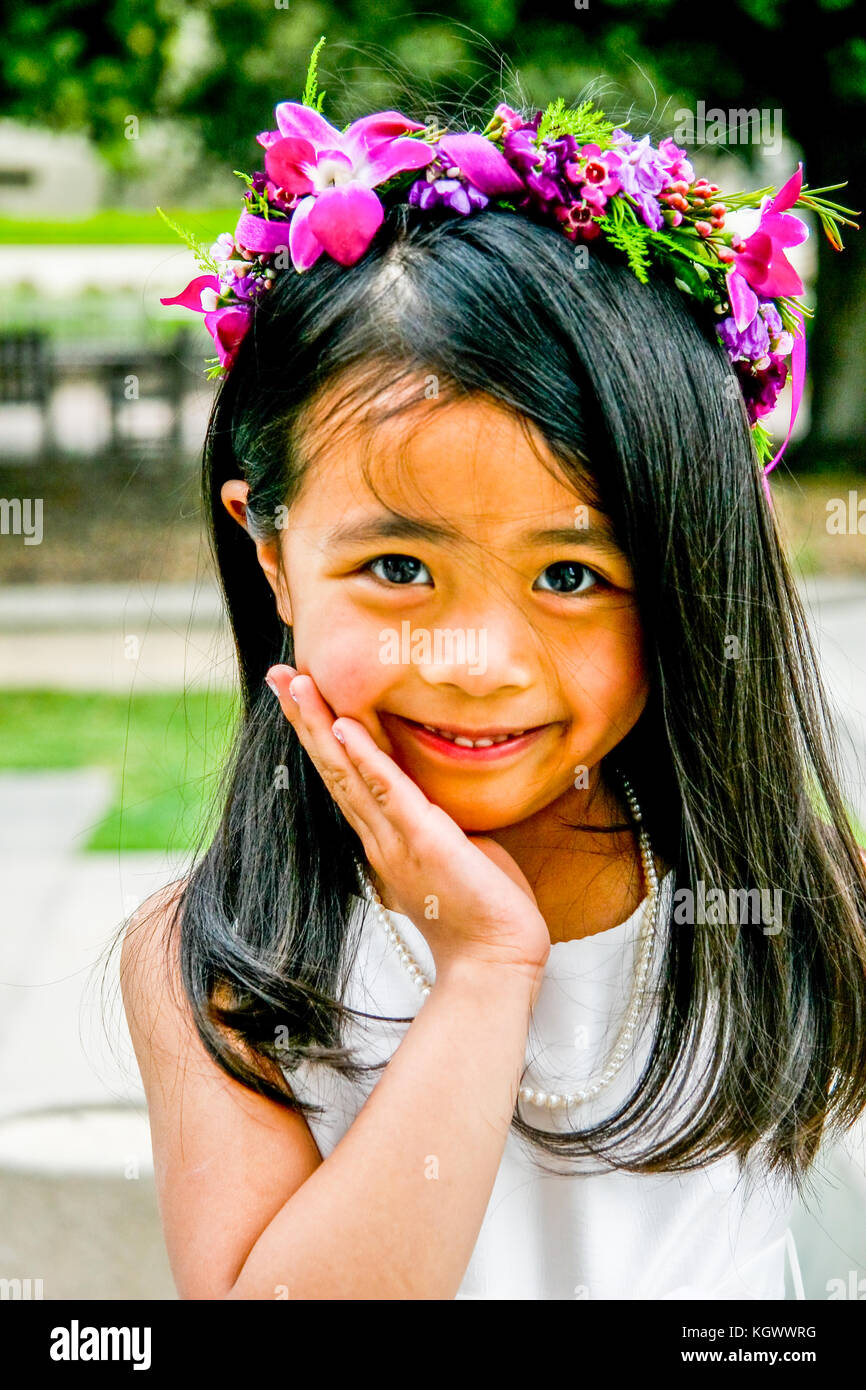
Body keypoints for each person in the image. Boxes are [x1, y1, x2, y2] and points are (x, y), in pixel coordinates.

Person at [120, 50, 866, 1299]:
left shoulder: (773, 895)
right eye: (399, 567)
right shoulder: (222, 952)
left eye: (570, 576)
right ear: (273, 554)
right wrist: (482, 970)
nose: (475, 659)